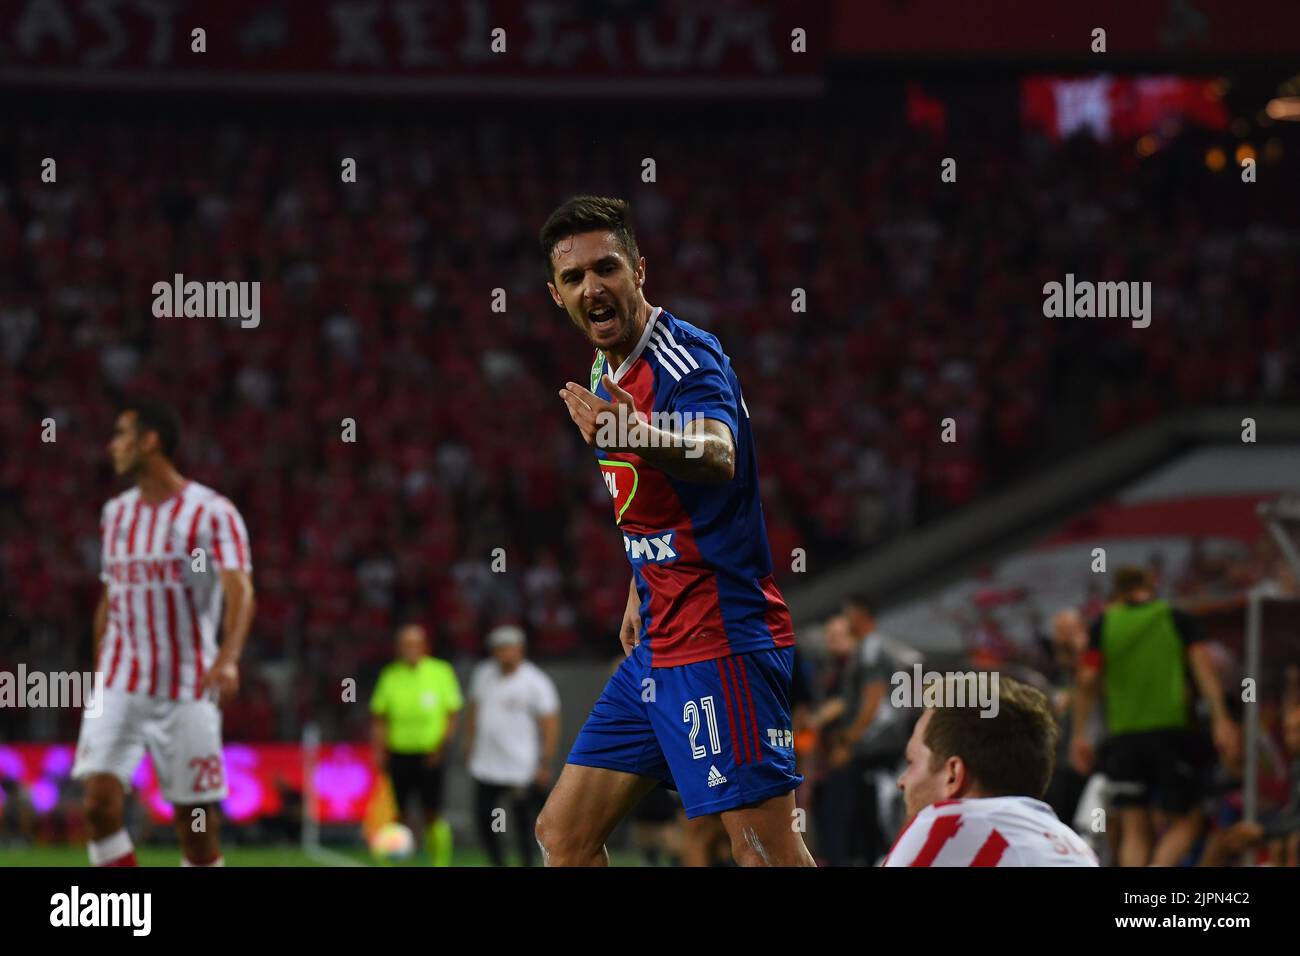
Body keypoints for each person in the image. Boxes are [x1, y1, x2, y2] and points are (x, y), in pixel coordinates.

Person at [535, 196, 812, 867]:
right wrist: (639, 585)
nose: (592, 287)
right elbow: (651, 502)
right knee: (564, 837)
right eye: (574, 278)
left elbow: (718, 453)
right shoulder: (605, 368)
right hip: (661, 640)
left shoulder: (686, 358)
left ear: (639, 271)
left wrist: (638, 434)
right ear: (556, 295)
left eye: (606, 268)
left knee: (762, 850)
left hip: (722, 636)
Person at [72, 400, 255, 867]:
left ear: (150, 441)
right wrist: (100, 669)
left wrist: (228, 658)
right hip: (119, 683)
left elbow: (240, 591)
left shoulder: (211, 512)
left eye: (121, 434)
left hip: (187, 686)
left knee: (196, 826)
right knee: (97, 806)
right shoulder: (116, 514)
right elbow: (110, 597)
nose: (112, 446)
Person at [1070, 566, 1237, 866]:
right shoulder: (1175, 617)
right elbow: (1202, 667)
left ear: (1117, 591)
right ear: (1151, 585)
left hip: (1123, 737)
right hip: (1170, 731)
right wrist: (1221, 718)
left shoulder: (1103, 625)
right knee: (1188, 819)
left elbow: (1087, 679)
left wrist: (1079, 735)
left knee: (1134, 827)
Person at [885, 675, 1098, 866]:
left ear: (953, 775)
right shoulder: (1075, 846)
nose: (902, 781)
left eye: (911, 763)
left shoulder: (948, 825)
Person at [464, 625, 560, 866]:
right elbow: (474, 710)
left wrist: (545, 761)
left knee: (523, 822)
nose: (505, 653)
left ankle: (527, 863)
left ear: (520, 649)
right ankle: (498, 862)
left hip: (521, 766)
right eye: (500, 648)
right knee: (487, 817)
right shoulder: (483, 674)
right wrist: (469, 743)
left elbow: (550, 723)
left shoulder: (535, 681)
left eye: (509, 648)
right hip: (486, 763)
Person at [370, 623, 462, 866]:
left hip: (430, 753)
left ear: (425, 646)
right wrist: (380, 749)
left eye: (414, 644)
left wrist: (440, 747)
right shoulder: (390, 675)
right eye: (405, 644)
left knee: (432, 812)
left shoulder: (441, 672)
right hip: (398, 752)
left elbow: (452, 715)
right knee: (399, 813)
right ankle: (395, 860)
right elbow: (379, 716)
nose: (410, 649)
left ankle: (440, 862)